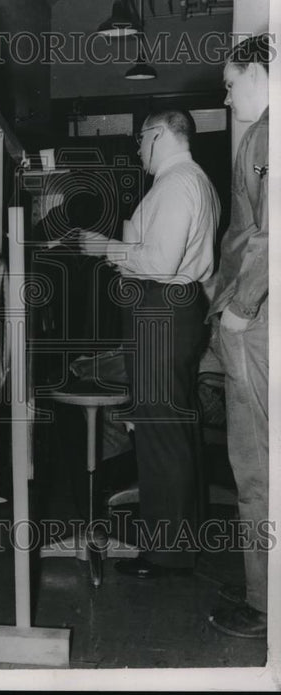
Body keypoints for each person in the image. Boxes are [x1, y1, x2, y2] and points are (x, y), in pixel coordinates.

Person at [79, 110, 221, 576]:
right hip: (172, 311)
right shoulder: (191, 182)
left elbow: (159, 263)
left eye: (141, 139)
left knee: (161, 435)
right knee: (173, 431)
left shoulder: (177, 184)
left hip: (163, 311)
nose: (138, 149)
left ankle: (168, 554)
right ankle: (183, 542)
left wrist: (107, 249)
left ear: (159, 135)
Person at [206, 34, 270, 639]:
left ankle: (263, 605)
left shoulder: (265, 138)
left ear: (257, 71)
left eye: (230, 84)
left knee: (254, 466)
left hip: (255, 326)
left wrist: (239, 309)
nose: (227, 98)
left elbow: (265, 237)